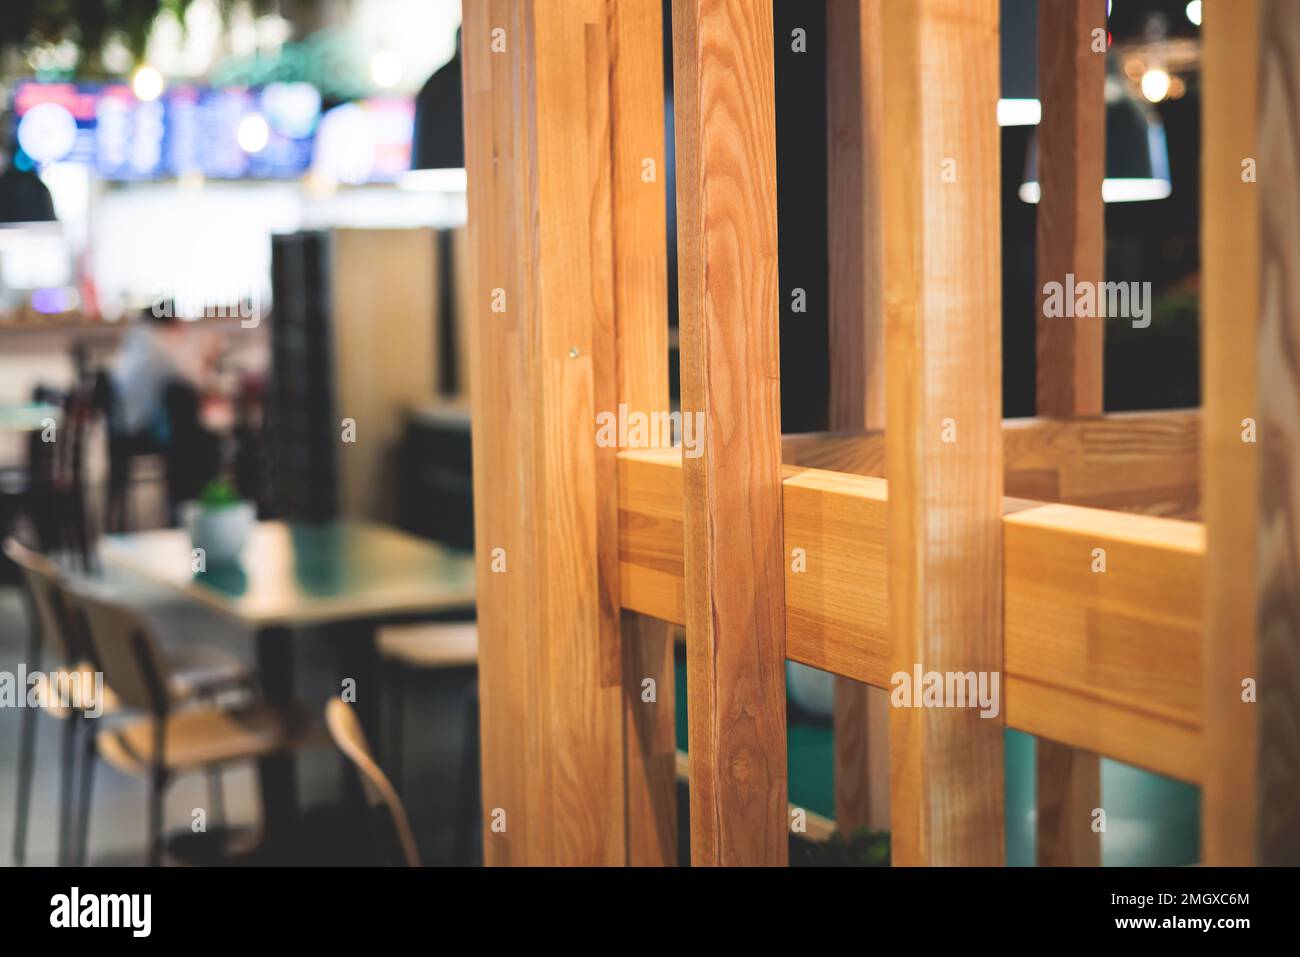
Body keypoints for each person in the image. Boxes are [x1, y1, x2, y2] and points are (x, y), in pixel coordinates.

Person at [106, 304, 220, 528]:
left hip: (124, 428)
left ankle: (185, 507)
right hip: (140, 431)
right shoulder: (159, 343)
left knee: (189, 428)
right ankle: (195, 510)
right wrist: (209, 354)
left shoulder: (138, 336)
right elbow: (197, 379)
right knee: (201, 440)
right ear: (171, 320)